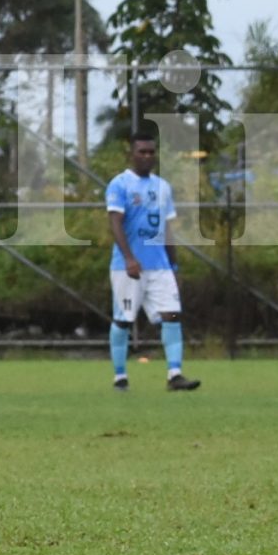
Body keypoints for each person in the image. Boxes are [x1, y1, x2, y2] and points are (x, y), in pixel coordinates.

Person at [107, 131, 199, 392]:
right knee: (124, 320)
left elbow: (168, 229)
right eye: (142, 152)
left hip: (159, 266)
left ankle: (175, 374)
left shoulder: (162, 187)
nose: (147, 156)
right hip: (128, 266)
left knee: (172, 315)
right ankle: (120, 376)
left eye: (151, 152)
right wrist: (128, 258)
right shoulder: (120, 184)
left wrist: (175, 265)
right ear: (132, 154)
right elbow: (114, 222)